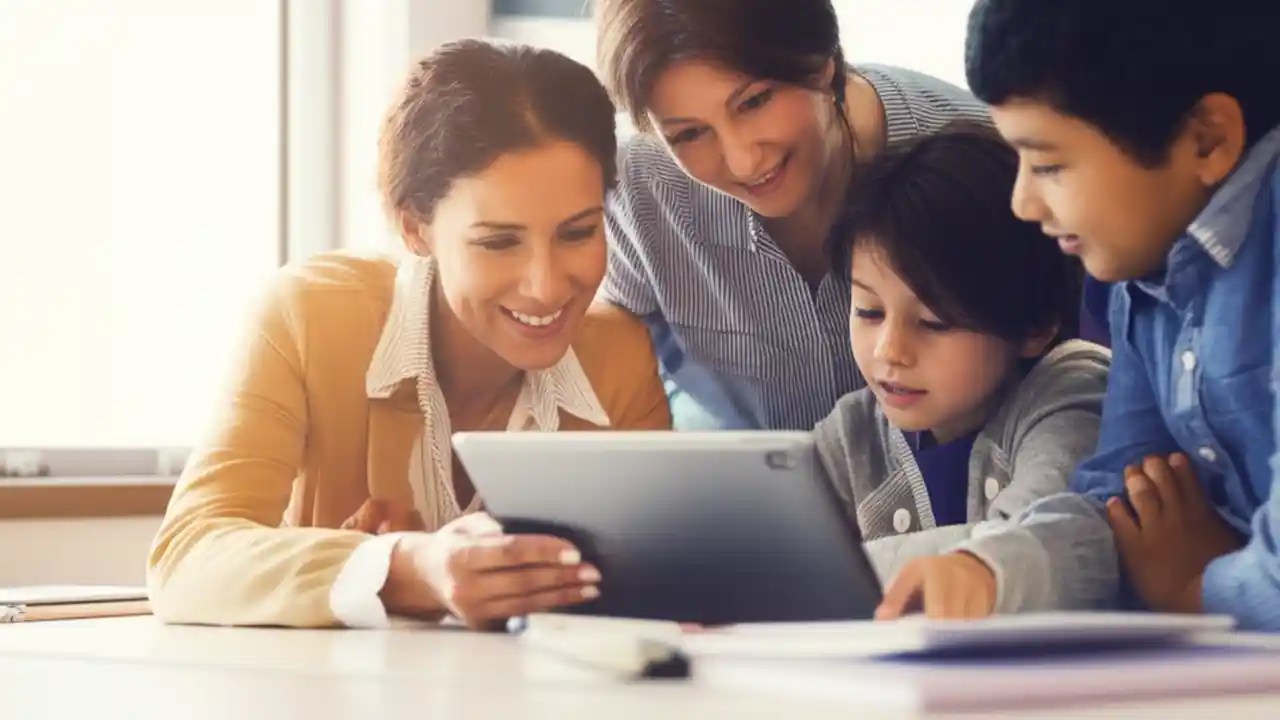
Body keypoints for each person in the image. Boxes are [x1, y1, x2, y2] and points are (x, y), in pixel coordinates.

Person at [146, 40, 671, 630]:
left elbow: (660, 577)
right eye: (498, 242)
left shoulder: (618, 357)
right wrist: (405, 567)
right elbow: (187, 555)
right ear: (416, 228)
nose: (547, 287)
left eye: (578, 233)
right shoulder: (312, 319)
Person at [877, 0, 1280, 630]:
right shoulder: (1143, 279)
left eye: (1048, 165)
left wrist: (1194, 591)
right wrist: (992, 573)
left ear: (1207, 139)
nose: (1022, 202)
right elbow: (1116, 505)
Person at [594, 0, 990, 430]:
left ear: (822, 62)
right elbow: (610, 357)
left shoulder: (988, 157)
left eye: (754, 101)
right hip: (731, 486)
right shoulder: (639, 182)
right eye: (689, 134)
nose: (743, 162)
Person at [814, 124, 1109, 591]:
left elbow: (1039, 536)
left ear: (1035, 324)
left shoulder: (1073, 393)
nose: (889, 350)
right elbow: (762, 552)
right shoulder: (852, 433)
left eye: (934, 322)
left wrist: (815, 574)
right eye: (869, 311)